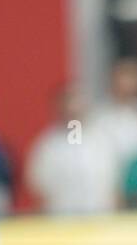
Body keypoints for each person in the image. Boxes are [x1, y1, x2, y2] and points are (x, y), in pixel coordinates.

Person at [26, 87, 122, 216]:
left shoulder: (102, 141)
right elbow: (39, 192)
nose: (73, 111)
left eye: (77, 105)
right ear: (58, 109)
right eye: (67, 106)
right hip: (61, 225)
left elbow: (115, 187)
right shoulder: (46, 147)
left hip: (101, 223)